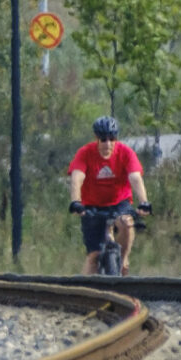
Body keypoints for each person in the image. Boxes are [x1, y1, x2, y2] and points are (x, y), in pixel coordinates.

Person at [67, 115, 152, 276]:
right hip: (92, 206)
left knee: (126, 222)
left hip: (119, 203)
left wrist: (144, 202)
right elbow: (77, 177)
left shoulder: (126, 153)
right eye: (103, 139)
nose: (108, 144)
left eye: (112, 139)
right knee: (94, 256)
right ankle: (83, 289)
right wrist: (76, 202)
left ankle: (123, 259)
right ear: (96, 138)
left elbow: (135, 177)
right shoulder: (85, 153)